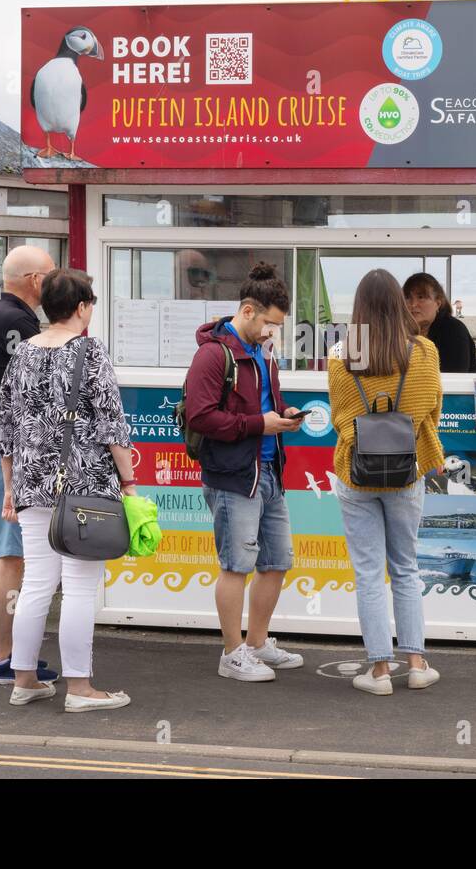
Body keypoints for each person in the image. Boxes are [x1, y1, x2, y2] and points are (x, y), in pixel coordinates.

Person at [0, 268, 134, 712]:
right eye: (90, 301)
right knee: (77, 588)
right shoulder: (89, 352)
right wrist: (129, 481)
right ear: (81, 307)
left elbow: (6, 429)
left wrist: (9, 489)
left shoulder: (22, 354)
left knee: (37, 583)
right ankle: (80, 688)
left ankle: (24, 679)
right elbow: (113, 424)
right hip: (86, 487)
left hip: (32, 483)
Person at [185, 262, 306, 682]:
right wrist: (261, 424)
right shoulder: (213, 354)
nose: (273, 332)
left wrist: (286, 414)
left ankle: (256, 643)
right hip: (234, 474)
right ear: (249, 310)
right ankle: (232, 652)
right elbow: (201, 417)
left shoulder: (261, 353)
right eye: (270, 324)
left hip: (268, 470)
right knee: (236, 564)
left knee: (277, 561)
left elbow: (269, 400)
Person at [329, 269, 446, 695]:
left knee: (367, 574)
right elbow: (431, 409)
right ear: (398, 304)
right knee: (406, 568)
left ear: (358, 308)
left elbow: (341, 420)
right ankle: (416, 663)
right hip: (406, 473)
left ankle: (379, 672)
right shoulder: (425, 351)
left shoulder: (340, 356)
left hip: (356, 473)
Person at [0, 245, 60, 685]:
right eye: (51, 273)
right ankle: (3, 656)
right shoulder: (17, 321)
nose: (56, 280)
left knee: (10, 556)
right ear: (35, 281)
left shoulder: (7, 316)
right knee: (10, 556)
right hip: (1, 450)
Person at [403, 272, 476, 373]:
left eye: (421, 297)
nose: (413, 304)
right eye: (408, 298)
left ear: (438, 303)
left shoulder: (453, 330)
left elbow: (453, 378)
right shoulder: (401, 332)